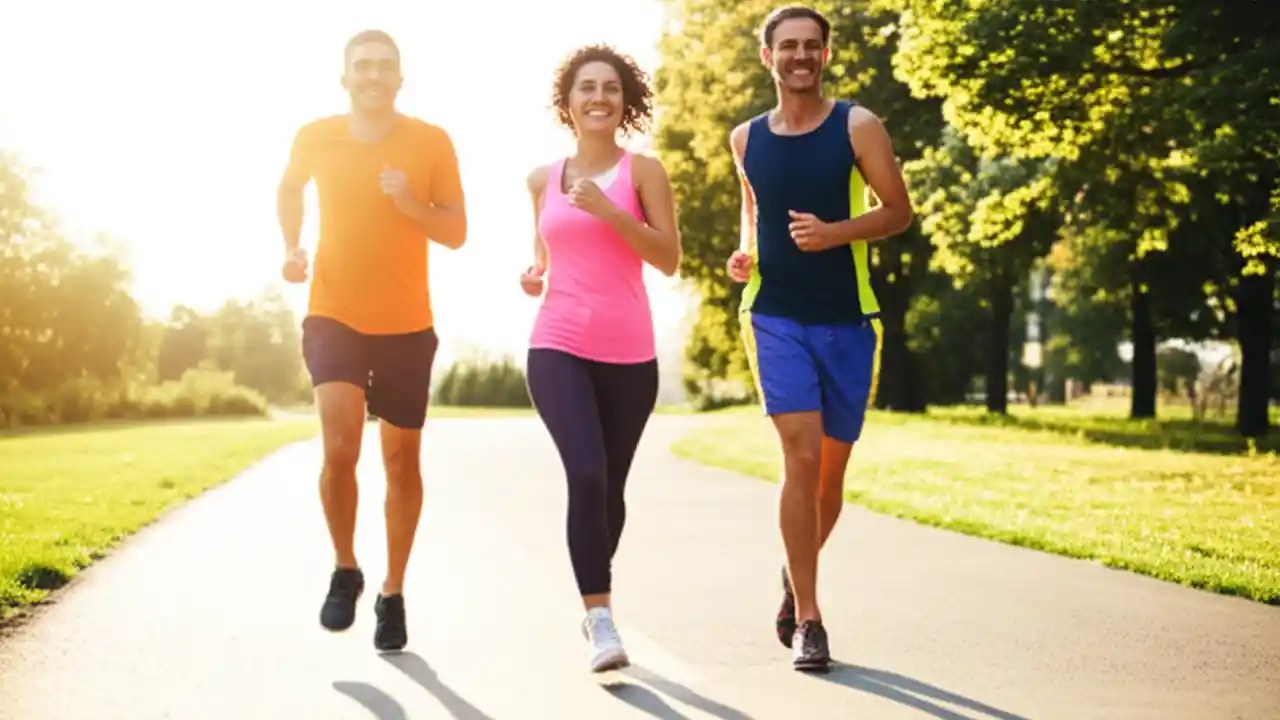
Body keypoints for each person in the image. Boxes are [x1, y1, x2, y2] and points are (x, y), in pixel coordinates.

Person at [725, 5, 913, 672]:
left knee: (831, 475)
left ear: (826, 55)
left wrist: (835, 233)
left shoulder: (856, 125)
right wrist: (744, 253)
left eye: (812, 46)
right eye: (788, 46)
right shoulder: (745, 138)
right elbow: (754, 212)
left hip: (848, 317)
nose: (800, 56)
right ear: (768, 56)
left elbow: (898, 211)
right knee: (799, 457)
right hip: (773, 313)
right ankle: (810, 618)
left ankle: (792, 570)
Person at [276, 29, 467, 652]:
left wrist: (410, 201)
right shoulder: (316, 135)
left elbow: (457, 230)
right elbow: (289, 188)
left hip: (407, 324)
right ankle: (345, 567)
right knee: (339, 447)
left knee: (400, 462)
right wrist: (292, 246)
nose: (374, 74)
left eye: (385, 66)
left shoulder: (430, 141)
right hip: (333, 311)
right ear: (345, 76)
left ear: (400, 78)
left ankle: (392, 591)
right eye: (363, 65)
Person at [519, 44, 681, 673]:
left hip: (629, 354)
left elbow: (668, 259)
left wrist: (611, 211)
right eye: (587, 87)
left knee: (610, 491)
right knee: (585, 474)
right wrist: (533, 276)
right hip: (556, 342)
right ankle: (601, 617)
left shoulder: (645, 173)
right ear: (569, 102)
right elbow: (544, 256)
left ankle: (592, 587)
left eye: (610, 88)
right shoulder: (542, 180)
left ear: (625, 102)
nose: (599, 97)